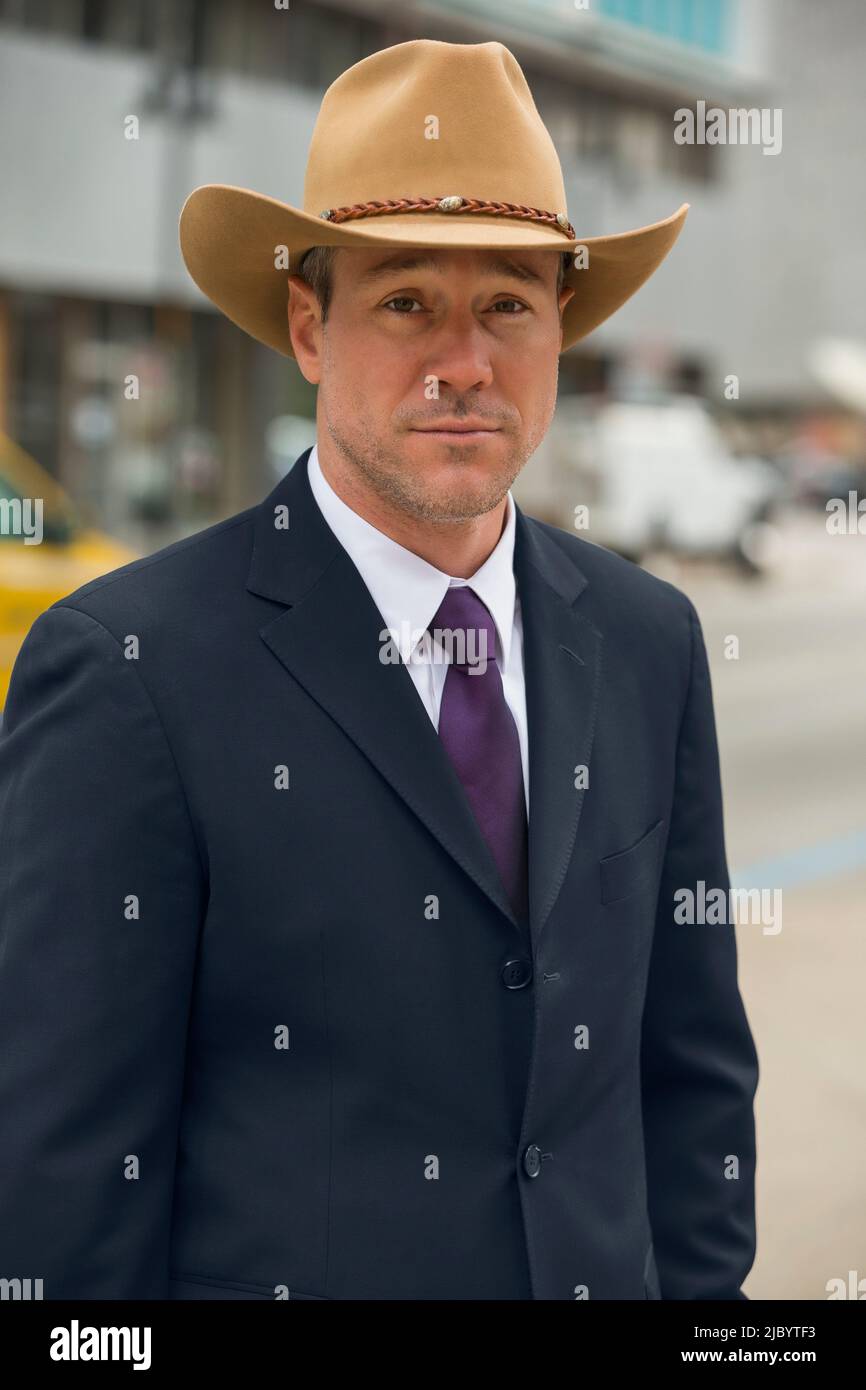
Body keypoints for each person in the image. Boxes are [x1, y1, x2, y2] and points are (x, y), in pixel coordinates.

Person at [0, 38, 758, 1301]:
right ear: (309, 323)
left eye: (508, 303)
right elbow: (60, 1180)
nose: (463, 359)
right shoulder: (129, 670)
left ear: (558, 327)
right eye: (407, 301)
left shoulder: (648, 641)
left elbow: (690, 1082)